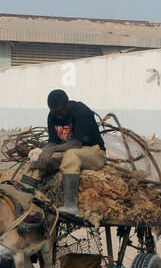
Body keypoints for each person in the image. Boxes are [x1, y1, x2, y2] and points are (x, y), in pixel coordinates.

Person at [22, 89, 106, 218]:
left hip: (94, 152)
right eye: (55, 113)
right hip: (68, 153)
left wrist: (53, 149)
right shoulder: (52, 115)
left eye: (61, 112)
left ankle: (71, 205)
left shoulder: (81, 111)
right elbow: (52, 142)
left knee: (71, 154)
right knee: (39, 161)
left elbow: (77, 143)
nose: (59, 116)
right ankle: (23, 199)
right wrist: (42, 152)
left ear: (67, 104)